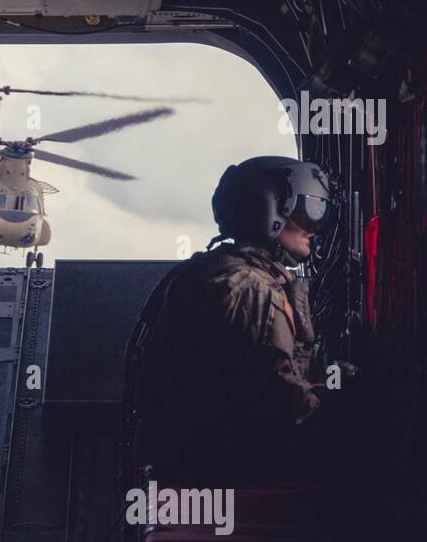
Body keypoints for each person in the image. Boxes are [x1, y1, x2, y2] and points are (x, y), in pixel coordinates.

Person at [129, 156, 342, 483]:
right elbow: (281, 406)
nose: (314, 227)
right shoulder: (250, 288)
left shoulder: (207, 272)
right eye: (306, 211)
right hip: (229, 476)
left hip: (193, 472)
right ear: (269, 211)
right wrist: (341, 406)